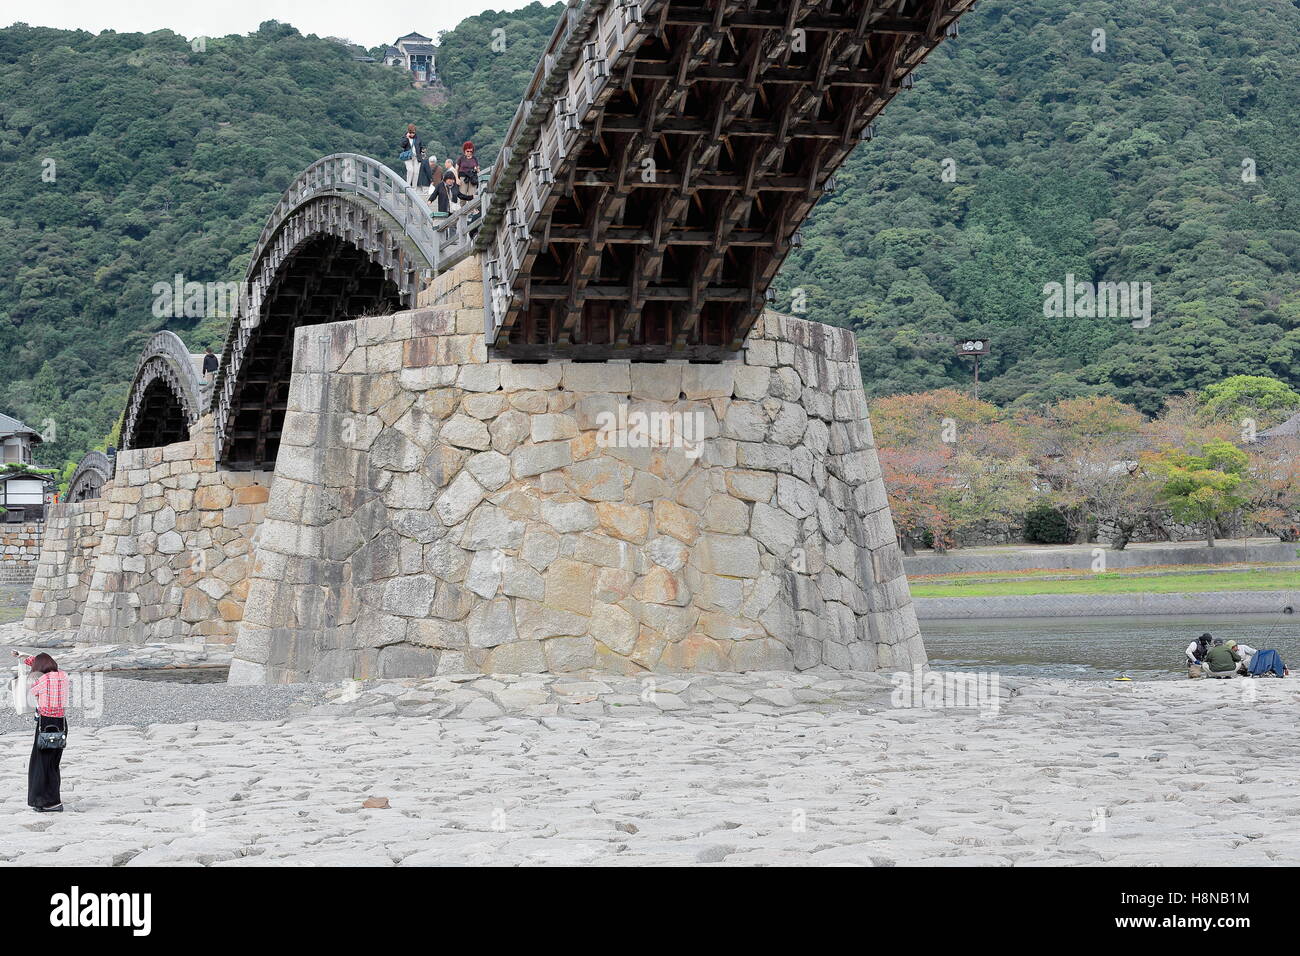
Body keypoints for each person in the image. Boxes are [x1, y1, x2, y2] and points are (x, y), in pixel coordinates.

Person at [12, 651, 69, 812]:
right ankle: (54, 801)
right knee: (52, 765)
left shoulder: (41, 681)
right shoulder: (64, 676)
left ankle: (47, 803)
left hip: (46, 725)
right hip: (61, 725)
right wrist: (24, 657)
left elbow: (31, 694)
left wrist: (24, 661)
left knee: (40, 765)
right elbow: (42, 663)